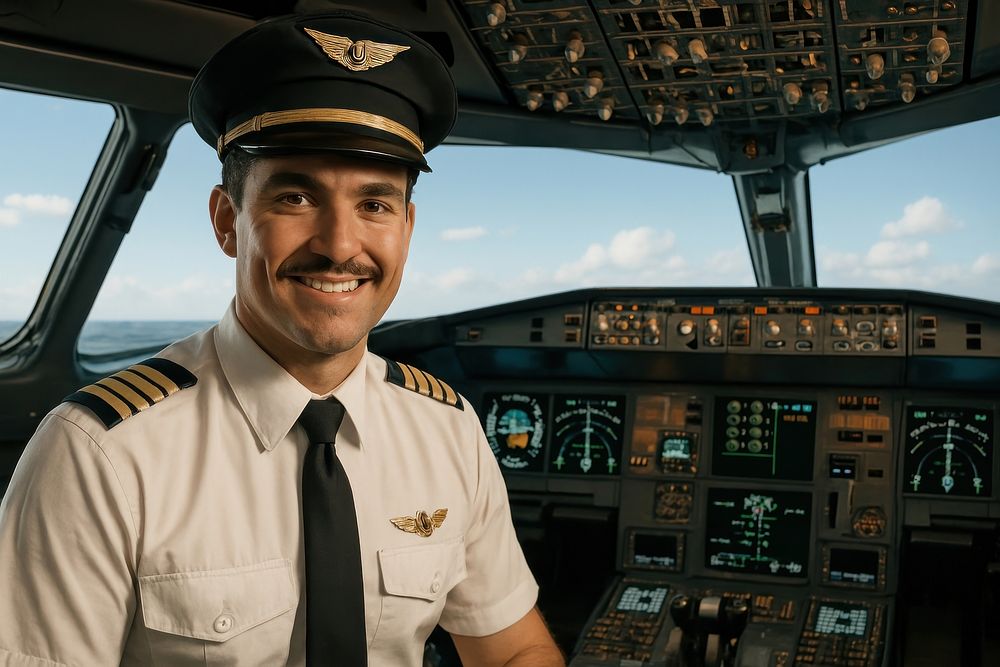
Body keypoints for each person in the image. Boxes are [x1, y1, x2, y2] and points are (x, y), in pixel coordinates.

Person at [0, 10, 564, 667]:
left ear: (406, 227)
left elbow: (514, 648)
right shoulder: (99, 454)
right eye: (295, 197)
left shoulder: (447, 428)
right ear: (227, 221)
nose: (340, 246)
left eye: (374, 204)